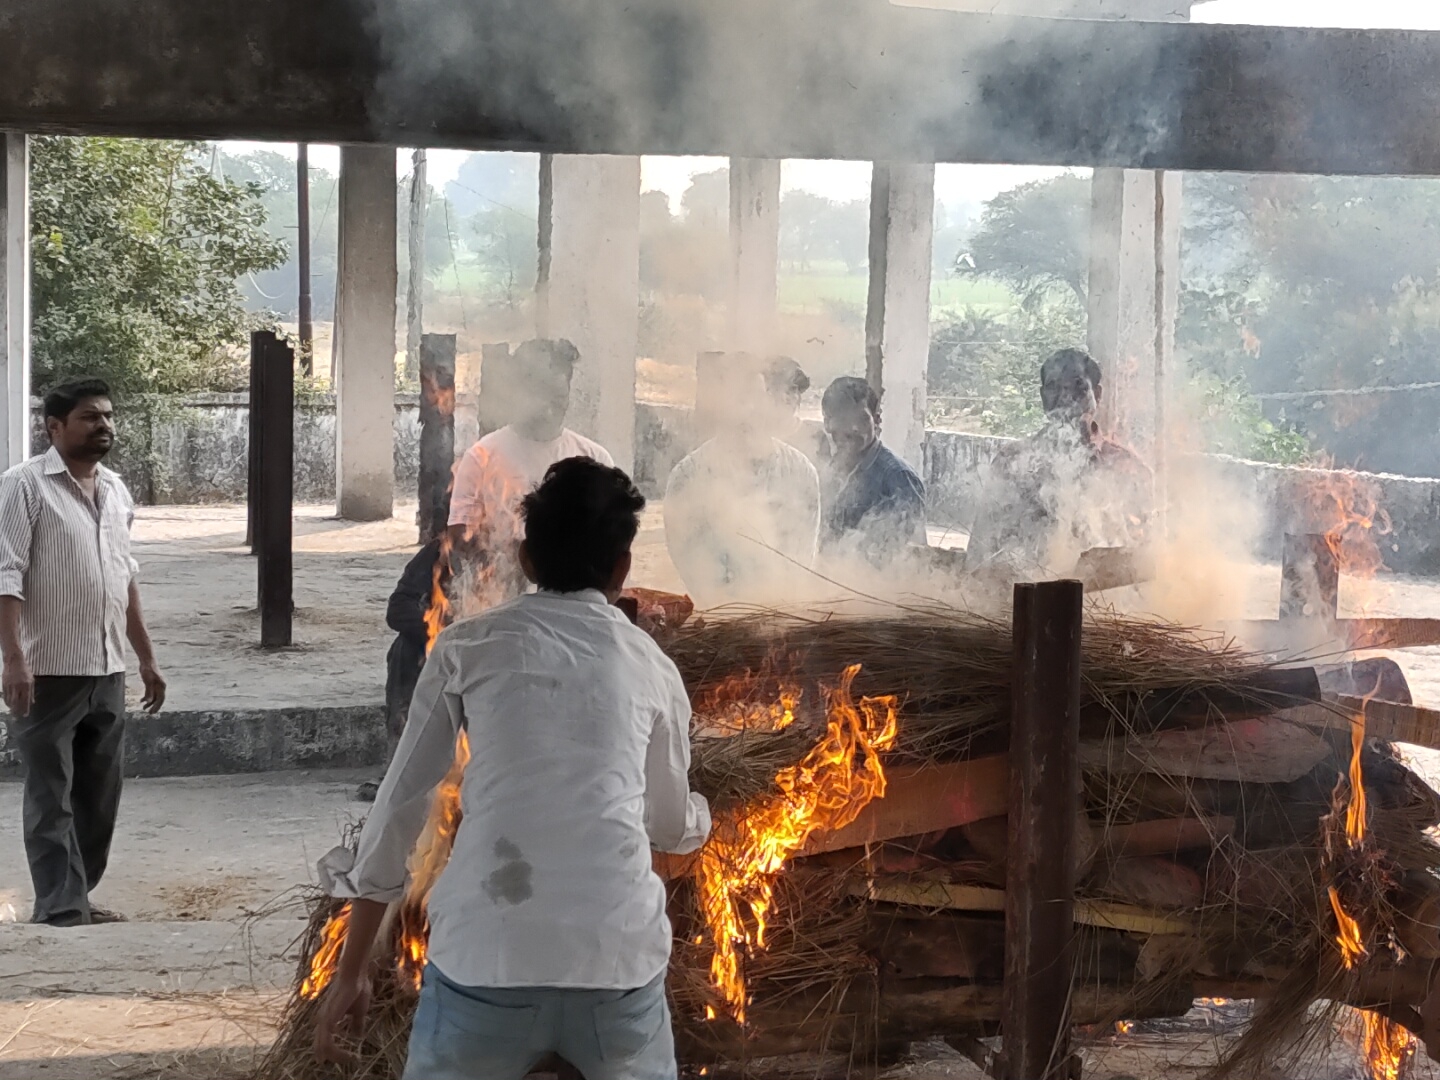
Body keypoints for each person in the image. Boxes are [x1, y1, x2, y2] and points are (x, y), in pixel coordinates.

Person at [313, 457, 710, 1080]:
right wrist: (700, 816)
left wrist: (352, 971)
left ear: (525, 557)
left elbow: (398, 809)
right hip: (617, 967)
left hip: (484, 962)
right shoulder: (653, 667)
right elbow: (669, 827)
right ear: (622, 567)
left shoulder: (465, 647)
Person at [0, 378, 166, 927]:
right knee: (52, 793)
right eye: (91, 417)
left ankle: (78, 894)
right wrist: (13, 659)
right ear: (55, 427)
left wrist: (145, 657)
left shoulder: (115, 489)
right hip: (47, 670)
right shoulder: (23, 486)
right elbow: (6, 575)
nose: (104, 426)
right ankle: (60, 906)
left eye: (108, 417)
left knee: (98, 797)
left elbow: (124, 576)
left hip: (107, 666)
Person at [446, 338, 613, 607]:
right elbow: (459, 539)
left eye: (559, 397)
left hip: (575, 606)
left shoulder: (595, 459)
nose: (549, 408)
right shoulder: (482, 457)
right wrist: (509, 553)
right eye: (541, 396)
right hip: (498, 603)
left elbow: (611, 539)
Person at [964, 348, 1153, 578]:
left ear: (1097, 394)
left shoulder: (1126, 469)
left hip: (1099, 597)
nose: (1064, 397)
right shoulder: (1012, 462)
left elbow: (1146, 561)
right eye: (1054, 387)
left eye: (1078, 386)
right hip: (1018, 594)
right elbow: (979, 553)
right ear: (1043, 396)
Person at [664, 366, 821, 606]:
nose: (748, 410)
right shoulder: (688, 475)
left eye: (756, 397)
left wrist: (777, 604)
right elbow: (687, 557)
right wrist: (730, 607)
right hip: (719, 613)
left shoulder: (801, 473)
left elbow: (802, 556)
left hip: (785, 613)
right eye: (738, 399)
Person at [819, 376, 926, 565]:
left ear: (876, 420)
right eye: (843, 419)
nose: (853, 428)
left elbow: (891, 554)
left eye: (861, 419)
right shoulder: (827, 471)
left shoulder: (898, 479)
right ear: (827, 423)